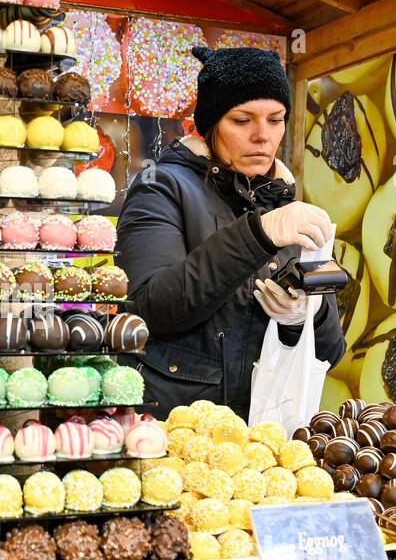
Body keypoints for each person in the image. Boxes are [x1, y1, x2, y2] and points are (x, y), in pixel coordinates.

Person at [116, 44, 345, 418]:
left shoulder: (286, 205)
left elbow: (330, 353)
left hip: (263, 435)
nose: (263, 136)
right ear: (210, 125)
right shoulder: (161, 187)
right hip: (176, 430)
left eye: (276, 119)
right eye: (242, 120)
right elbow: (150, 309)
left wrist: (302, 319)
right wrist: (257, 235)